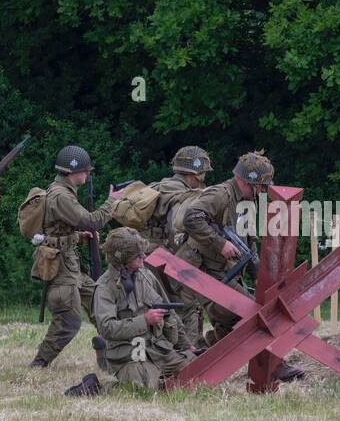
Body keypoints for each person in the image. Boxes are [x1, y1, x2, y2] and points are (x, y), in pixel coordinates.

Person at [174, 150, 302, 381]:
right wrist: (220, 243)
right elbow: (192, 217)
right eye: (261, 186)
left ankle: (202, 359)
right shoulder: (220, 194)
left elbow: (249, 244)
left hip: (223, 271)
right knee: (247, 317)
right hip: (199, 269)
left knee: (231, 326)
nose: (263, 191)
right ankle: (274, 367)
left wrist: (258, 275)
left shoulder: (249, 202)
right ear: (248, 181)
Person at [68, 228, 196, 396]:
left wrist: (187, 346)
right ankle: (95, 388)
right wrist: (145, 320)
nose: (143, 257)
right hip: (130, 354)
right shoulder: (105, 287)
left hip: (158, 349)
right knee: (141, 391)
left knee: (196, 369)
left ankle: (157, 378)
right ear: (123, 259)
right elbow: (106, 327)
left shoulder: (147, 276)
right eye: (138, 255)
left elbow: (169, 312)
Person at [29, 144, 122, 368]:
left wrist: (79, 237)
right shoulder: (61, 195)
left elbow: (60, 229)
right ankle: (39, 364)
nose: (88, 174)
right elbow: (91, 220)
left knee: (101, 304)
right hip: (61, 266)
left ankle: (114, 357)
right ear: (72, 172)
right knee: (68, 321)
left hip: (70, 263)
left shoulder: (64, 192)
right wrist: (112, 202)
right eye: (85, 170)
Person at [142, 146, 211, 345]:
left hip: (145, 253)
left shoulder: (159, 185)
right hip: (159, 254)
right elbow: (176, 226)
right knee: (186, 303)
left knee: (158, 303)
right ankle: (190, 353)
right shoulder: (182, 194)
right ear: (195, 174)